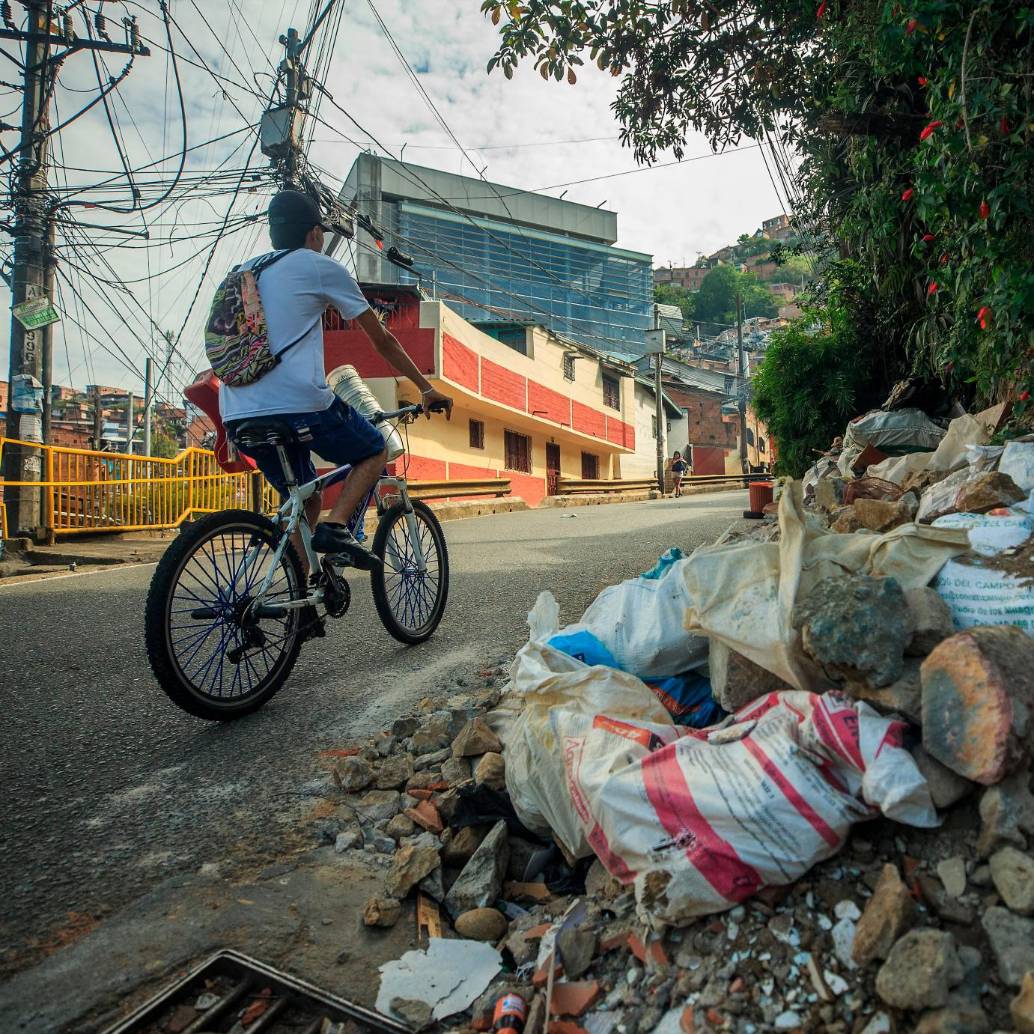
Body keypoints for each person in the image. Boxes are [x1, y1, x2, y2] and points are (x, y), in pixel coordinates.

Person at [221, 189, 453, 574]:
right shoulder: (317, 266)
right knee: (374, 448)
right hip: (298, 405)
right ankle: (336, 526)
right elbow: (382, 339)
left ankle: (305, 592)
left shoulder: (244, 272)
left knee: (304, 500)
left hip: (239, 413)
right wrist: (426, 388)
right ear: (315, 233)